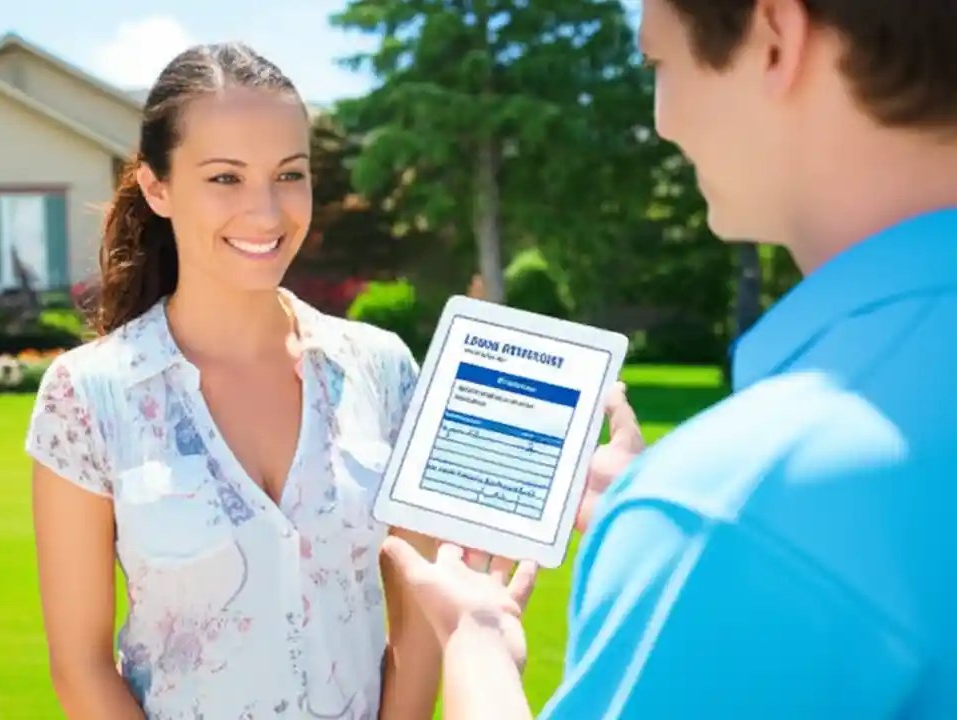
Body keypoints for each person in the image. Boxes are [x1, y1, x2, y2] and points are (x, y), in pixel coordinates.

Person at [389, 0, 957, 717]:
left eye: (658, 63)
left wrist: (476, 636)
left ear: (776, 40)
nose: (661, 120)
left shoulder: (743, 505)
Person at [23, 42, 452, 719]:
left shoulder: (384, 370)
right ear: (156, 187)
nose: (267, 212)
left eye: (289, 175)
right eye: (226, 178)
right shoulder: (88, 396)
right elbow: (79, 666)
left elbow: (419, 624)